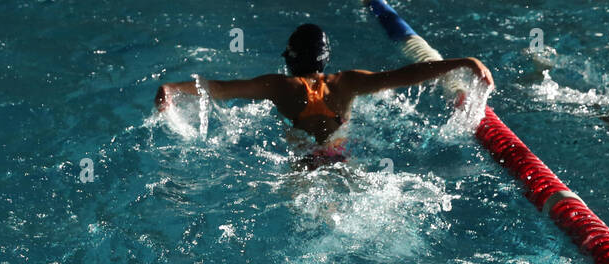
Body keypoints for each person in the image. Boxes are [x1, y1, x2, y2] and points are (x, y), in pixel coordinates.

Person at [154, 23, 492, 165]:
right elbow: (408, 75)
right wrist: (464, 62)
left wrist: (171, 89)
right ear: (325, 58)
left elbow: (220, 90)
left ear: (291, 58)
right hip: (342, 159)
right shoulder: (347, 83)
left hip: (302, 165)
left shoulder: (280, 87)